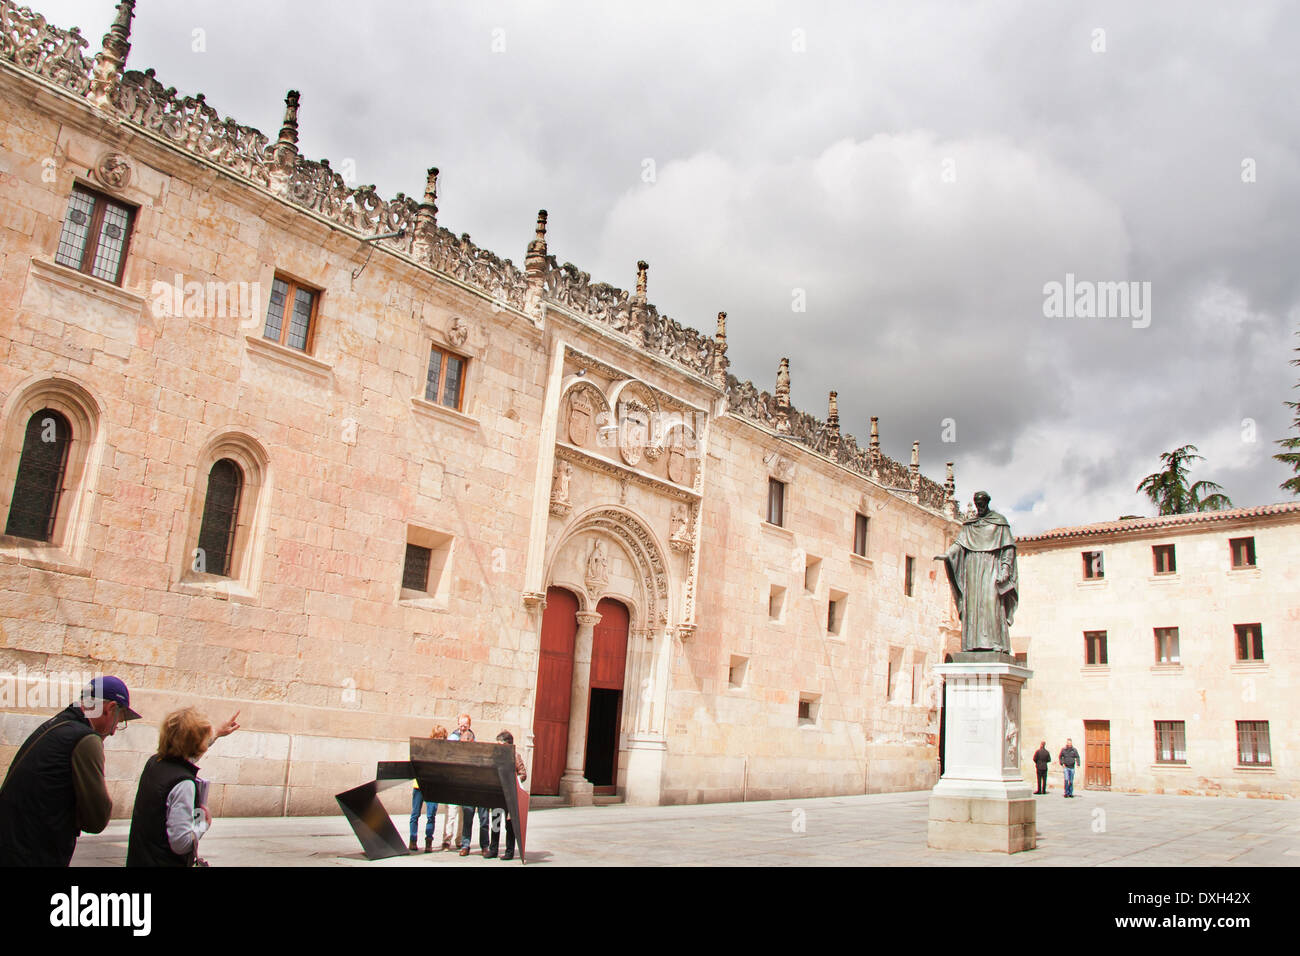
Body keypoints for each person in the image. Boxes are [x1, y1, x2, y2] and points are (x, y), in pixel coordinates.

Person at [0, 675, 140, 866]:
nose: (115, 730)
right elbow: (97, 819)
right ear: (111, 709)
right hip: (34, 854)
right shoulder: (86, 739)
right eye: (119, 720)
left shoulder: (57, 725)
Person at [126, 706, 239, 866]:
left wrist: (217, 733)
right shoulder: (183, 783)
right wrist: (202, 823)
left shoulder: (154, 763)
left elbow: (186, 758)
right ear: (196, 743)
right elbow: (181, 843)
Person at [936, 491, 1019, 653]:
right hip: (972, 569)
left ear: (987, 502)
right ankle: (971, 644)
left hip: (991, 566)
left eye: (981, 503)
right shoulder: (970, 525)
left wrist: (1005, 569)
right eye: (976, 503)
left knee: (991, 602)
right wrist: (947, 554)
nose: (979, 506)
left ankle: (997, 643)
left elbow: (1008, 549)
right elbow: (959, 544)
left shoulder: (999, 522)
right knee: (973, 605)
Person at [486, 730, 527, 861]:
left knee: (509, 825)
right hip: (498, 795)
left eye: (500, 743)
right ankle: (493, 849)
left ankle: (509, 852)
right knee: (495, 823)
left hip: (510, 796)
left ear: (508, 744)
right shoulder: (496, 756)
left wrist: (513, 781)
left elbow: (523, 773)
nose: (498, 746)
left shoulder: (515, 756)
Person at [454, 712, 490, 857]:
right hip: (468, 790)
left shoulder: (481, 753)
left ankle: (484, 846)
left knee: (484, 820)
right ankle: (465, 845)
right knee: (467, 819)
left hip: (481, 789)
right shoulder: (461, 756)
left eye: (467, 744)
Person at [410, 725, 448, 852]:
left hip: (433, 786)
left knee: (431, 815)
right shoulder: (423, 748)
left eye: (442, 737)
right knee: (415, 814)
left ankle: (428, 841)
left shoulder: (444, 752)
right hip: (419, 785)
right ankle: (413, 839)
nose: (439, 739)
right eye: (437, 737)